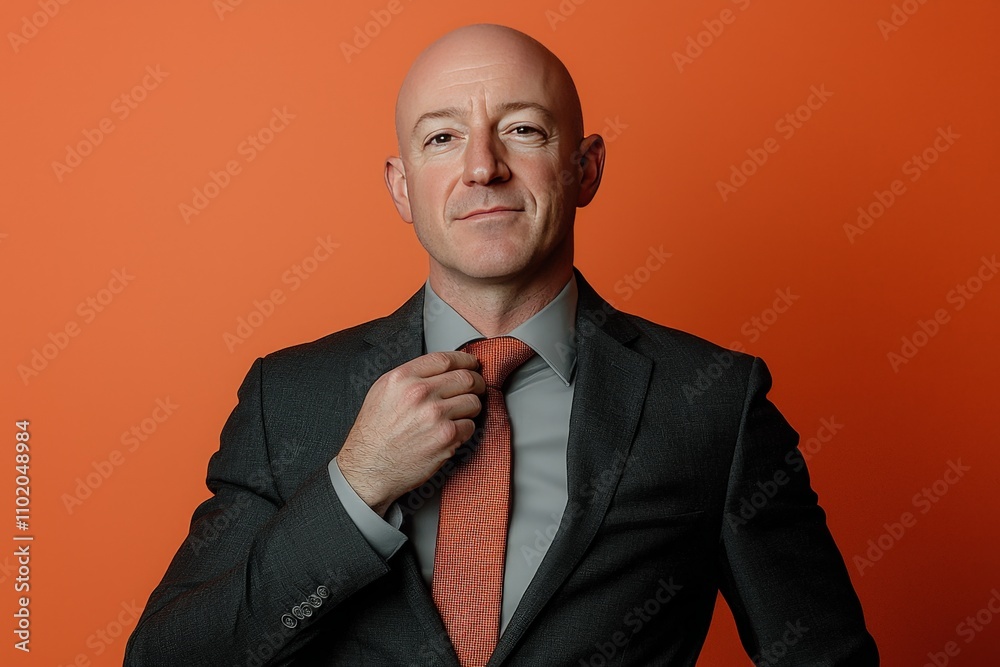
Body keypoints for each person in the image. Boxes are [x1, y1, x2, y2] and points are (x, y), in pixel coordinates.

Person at [124, 23, 879, 666]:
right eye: (443, 138)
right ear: (401, 186)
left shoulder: (715, 401)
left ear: (585, 169)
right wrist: (355, 486)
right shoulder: (285, 399)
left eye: (522, 129)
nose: (483, 167)